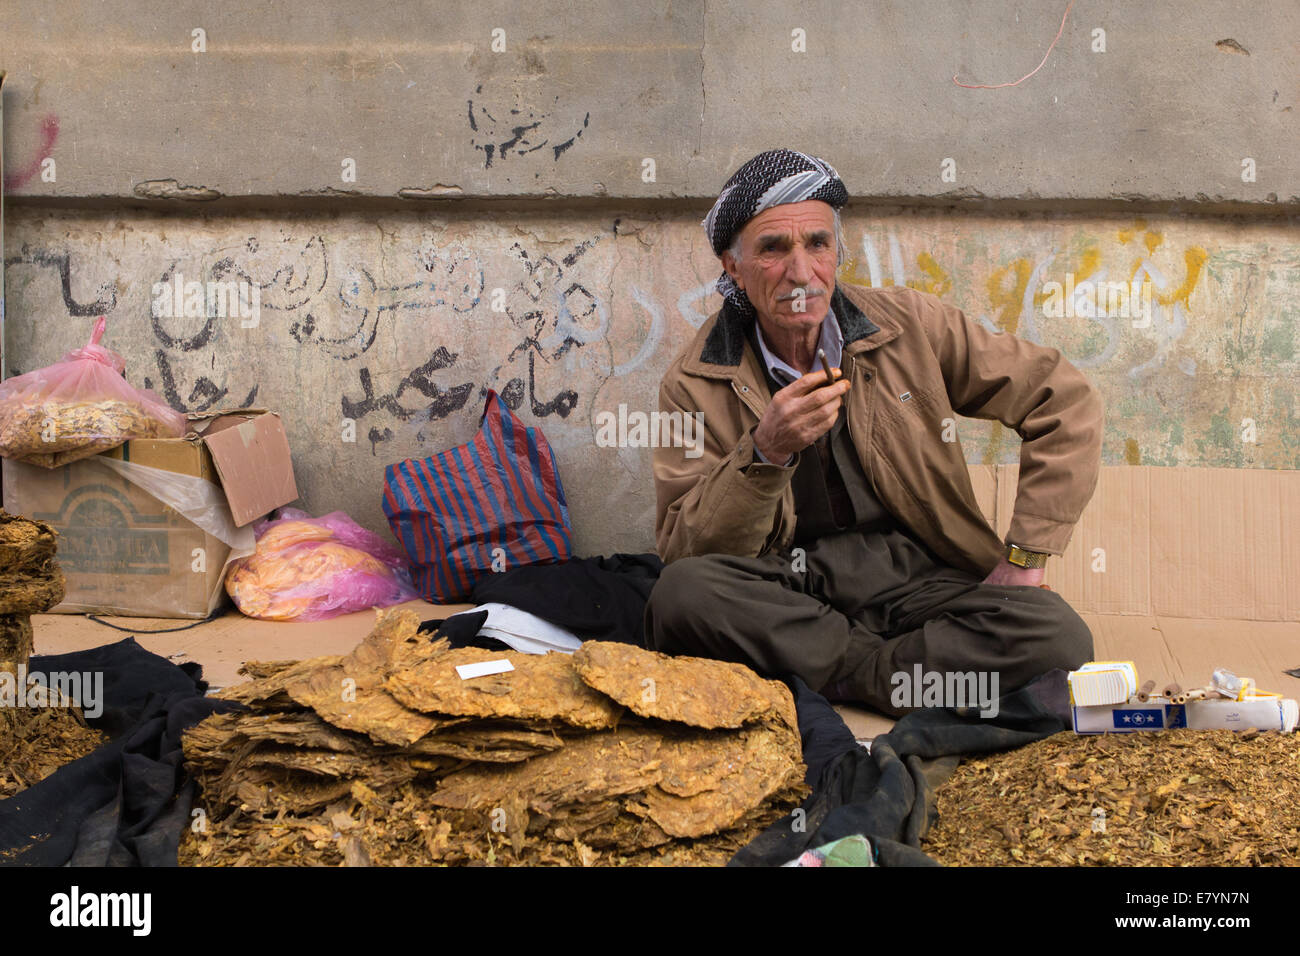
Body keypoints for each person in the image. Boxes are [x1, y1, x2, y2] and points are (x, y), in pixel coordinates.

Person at [643, 148, 1102, 716]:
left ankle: (843, 673)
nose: (801, 272)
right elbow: (686, 550)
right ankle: (898, 678)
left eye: (817, 243)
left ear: (839, 253)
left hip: (919, 581)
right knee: (681, 597)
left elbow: (1062, 396)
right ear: (733, 268)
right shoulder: (694, 381)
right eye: (772, 249)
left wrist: (1024, 559)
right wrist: (765, 452)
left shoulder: (908, 325)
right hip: (790, 590)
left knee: (1057, 633)